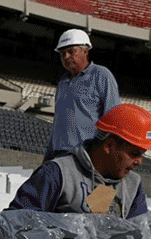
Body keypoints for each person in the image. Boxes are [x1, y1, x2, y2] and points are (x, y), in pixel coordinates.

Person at [8, 103, 151, 219]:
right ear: (109, 146)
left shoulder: (132, 184)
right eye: (134, 153)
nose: (139, 161)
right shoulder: (57, 173)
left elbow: (140, 236)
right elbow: (17, 222)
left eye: (142, 154)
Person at [44, 29, 121, 161]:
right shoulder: (62, 82)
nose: (66, 57)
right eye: (62, 54)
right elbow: (58, 122)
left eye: (71, 51)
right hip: (59, 155)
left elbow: (113, 116)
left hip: (85, 155)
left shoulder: (101, 75)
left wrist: (97, 151)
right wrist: (47, 157)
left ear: (85, 51)